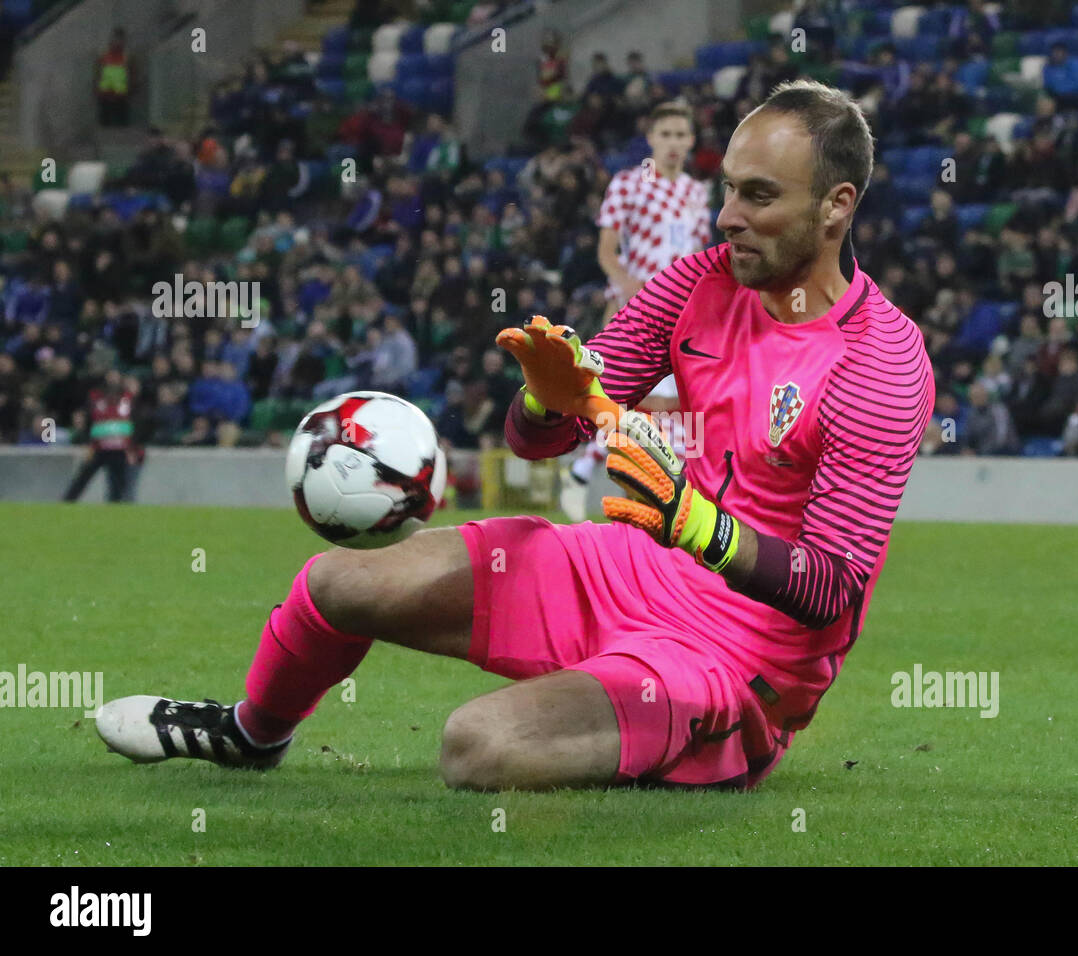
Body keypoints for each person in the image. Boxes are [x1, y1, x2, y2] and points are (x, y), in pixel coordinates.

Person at [95, 80, 935, 792]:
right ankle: (252, 734)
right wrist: (546, 399)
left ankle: (705, 735)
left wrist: (696, 527)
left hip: (740, 657)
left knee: (478, 748)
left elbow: (835, 590)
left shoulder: (882, 363)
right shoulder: (700, 283)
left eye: (759, 197)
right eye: (727, 189)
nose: (726, 218)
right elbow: (540, 438)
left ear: (836, 207)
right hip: (634, 565)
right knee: (337, 583)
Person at [566, 101, 714, 505]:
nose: (672, 143)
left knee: (682, 402)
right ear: (650, 138)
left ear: (691, 141)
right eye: (665, 134)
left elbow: (699, 254)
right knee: (626, 396)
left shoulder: (697, 192)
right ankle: (590, 468)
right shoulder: (628, 184)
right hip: (639, 307)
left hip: (685, 312)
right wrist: (628, 291)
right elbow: (606, 253)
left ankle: (676, 491)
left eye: (680, 135)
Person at [62, 369, 137, 503]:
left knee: (117, 484)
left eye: (115, 376)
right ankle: (67, 502)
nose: (113, 379)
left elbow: (135, 420)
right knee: (82, 478)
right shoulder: (95, 396)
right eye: (110, 376)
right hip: (98, 447)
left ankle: (114, 508)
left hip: (119, 448)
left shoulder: (128, 397)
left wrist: (131, 447)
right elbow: (88, 417)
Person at [94, 27, 133, 127]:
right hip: (106, 93)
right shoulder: (104, 56)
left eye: (120, 40)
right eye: (116, 39)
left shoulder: (126, 57)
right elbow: (98, 72)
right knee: (105, 121)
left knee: (121, 120)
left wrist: (130, 87)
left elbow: (131, 74)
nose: (118, 42)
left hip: (120, 94)